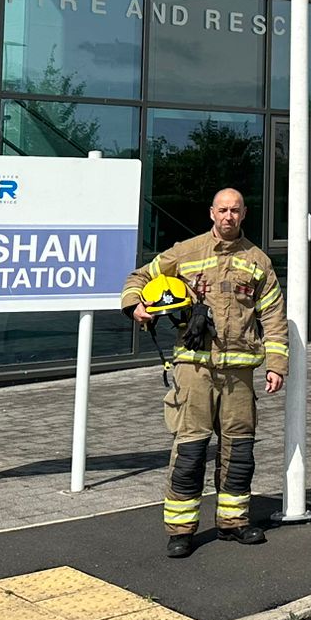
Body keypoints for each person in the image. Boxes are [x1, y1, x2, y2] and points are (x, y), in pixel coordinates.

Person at [122, 187, 286, 557]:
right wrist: (135, 306)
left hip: (240, 372)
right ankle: (181, 530)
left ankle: (234, 522)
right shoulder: (185, 252)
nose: (229, 216)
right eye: (223, 210)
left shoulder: (259, 261)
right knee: (191, 448)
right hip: (194, 369)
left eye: (236, 211)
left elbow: (274, 318)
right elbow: (138, 278)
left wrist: (277, 365)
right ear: (212, 213)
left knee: (239, 450)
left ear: (244, 214)